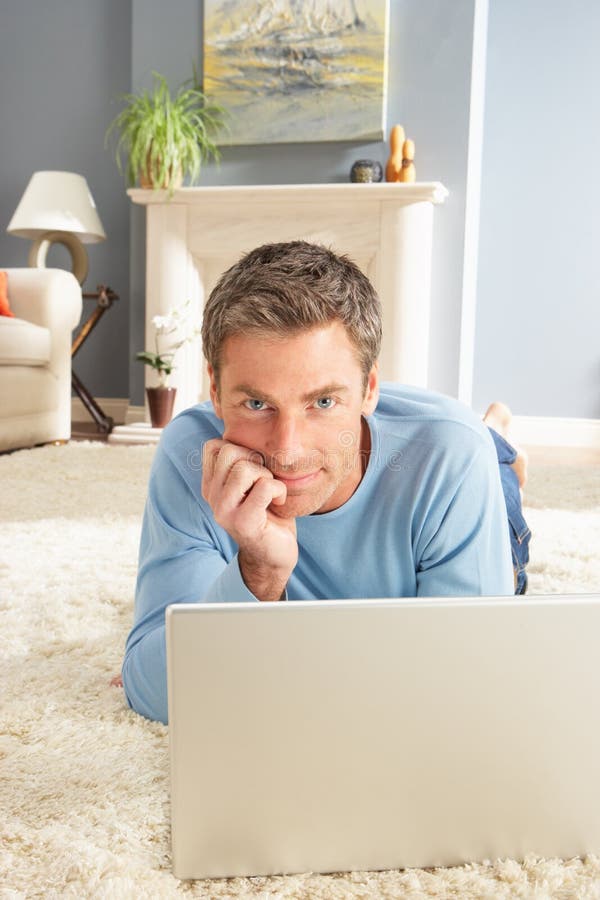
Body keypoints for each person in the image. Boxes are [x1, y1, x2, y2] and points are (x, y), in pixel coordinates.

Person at [121, 241, 529, 724]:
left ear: (369, 389)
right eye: (256, 404)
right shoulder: (191, 453)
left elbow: (467, 683)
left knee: (493, 472)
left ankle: (499, 435)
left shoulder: (449, 455)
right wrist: (259, 573)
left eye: (323, 402)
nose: (288, 451)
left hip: (452, 455)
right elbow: (154, 694)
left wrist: (223, 653)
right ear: (215, 390)